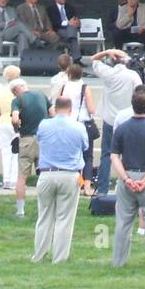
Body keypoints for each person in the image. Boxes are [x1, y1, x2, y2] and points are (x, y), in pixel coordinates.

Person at [110, 87, 145, 268]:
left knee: (123, 222)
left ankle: (118, 262)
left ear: (132, 105)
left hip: (127, 175)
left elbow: (114, 156)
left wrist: (126, 179)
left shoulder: (121, 129)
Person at [29, 96, 88, 264]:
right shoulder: (78, 127)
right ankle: (59, 258)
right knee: (64, 218)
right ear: (70, 109)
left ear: (54, 108)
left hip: (47, 173)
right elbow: (85, 146)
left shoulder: (44, 125)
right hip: (69, 174)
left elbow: (40, 139)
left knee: (44, 216)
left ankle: (39, 255)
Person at [88, 48, 145, 195]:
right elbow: (141, 93)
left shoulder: (108, 73)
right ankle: (128, 185)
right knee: (129, 155)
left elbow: (93, 59)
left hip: (110, 119)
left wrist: (107, 51)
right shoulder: (133, 76)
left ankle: (102, 190)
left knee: (106, 155)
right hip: (128, 120)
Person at [51, 59, 96, 194]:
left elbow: (57, 102)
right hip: (82, 122)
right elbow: (91, 108)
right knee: (87, 156)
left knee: (70, 154)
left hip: (67, 123)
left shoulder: (64, 87)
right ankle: (87, 186)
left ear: (69, 74)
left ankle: (75, 183)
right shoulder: (85, 87)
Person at [10, 78, 49, 218]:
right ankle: (44, 208)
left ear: (15, 90)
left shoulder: (17, 100)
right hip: (43, 139)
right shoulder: (41, 95)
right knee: (44, 175)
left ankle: (20, 211)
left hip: (26, 139)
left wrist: (17, 127)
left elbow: (15, 119)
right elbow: (53, 113)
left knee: (22, 177)